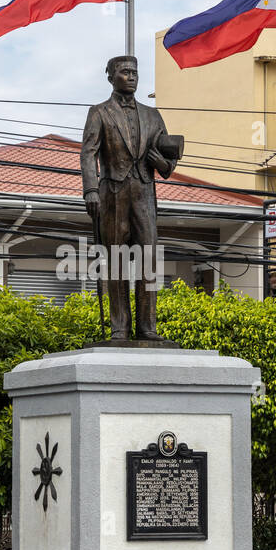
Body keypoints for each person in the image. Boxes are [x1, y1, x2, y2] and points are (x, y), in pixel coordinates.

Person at [80, 55, 183, 341]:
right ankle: (120, 327)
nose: (132, 76)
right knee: (116, 261)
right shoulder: (99, 112)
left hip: (144, 195)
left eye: (134, 72)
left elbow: (169, 161)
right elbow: (88, 153)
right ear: (111, 76)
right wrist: (90, 190)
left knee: (148, 260)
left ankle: (147, 327)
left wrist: (161, 163)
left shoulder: (153, 115)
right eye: (125, 72)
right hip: (112, 194)